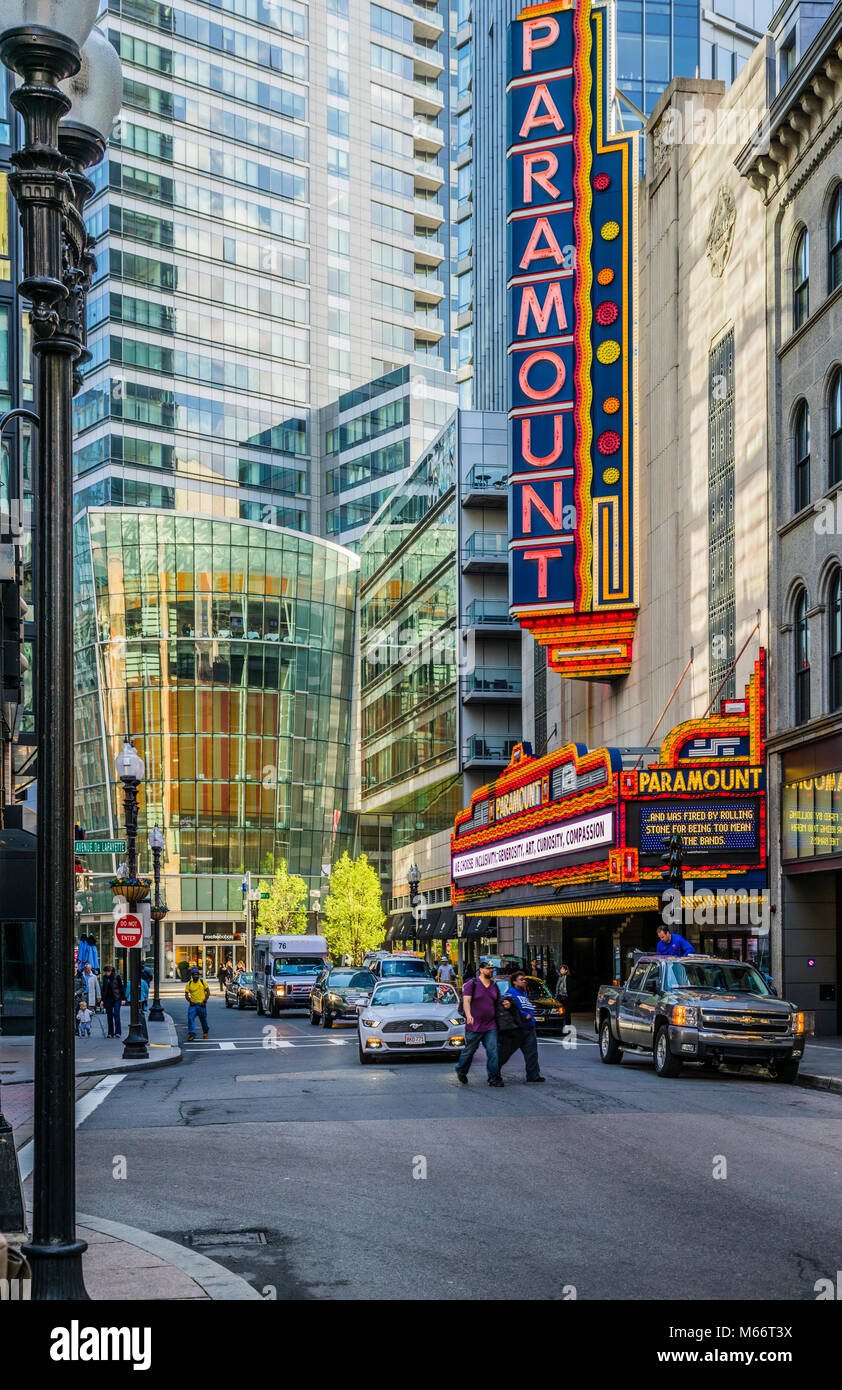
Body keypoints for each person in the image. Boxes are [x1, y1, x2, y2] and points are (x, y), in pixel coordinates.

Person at [455, 957, 503, 1087]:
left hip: (490, 1025)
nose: (491, 971)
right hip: (474, 1025)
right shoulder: (472, 983)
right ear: (481, 970)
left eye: (492, 969)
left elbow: (498, 1002)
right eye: (488, 968)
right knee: (469, 1051)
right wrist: (468, 1015)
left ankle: (494, 1078)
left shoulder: (494, 986)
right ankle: (461, 1069)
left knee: (493, 1051)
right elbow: (466, 1001)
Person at [499, 971, 545, 1082]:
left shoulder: (524, 994)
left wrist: (531, 1018)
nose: (524, 981)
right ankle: (494, 1072)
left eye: (524, 979)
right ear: (514, 982)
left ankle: (533, 1075)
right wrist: (524, 1016)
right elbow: (510, 1007)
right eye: (521, 979)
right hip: (517, 1029)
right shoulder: (511, 992)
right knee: (505, 1053)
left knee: (532, 1053)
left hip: (529, 1027)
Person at [185, 966, 210, 1040]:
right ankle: (191, 1034)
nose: (196, 976)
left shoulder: (202, 982)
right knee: (190, 1018)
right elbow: (186, 994)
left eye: (197, 974)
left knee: (203, 1020)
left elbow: (208, 992)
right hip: (193, 1005)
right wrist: (190, 1001)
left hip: (201, 1005)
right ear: (192, 975)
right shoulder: (189, 984)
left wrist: (205, 1001)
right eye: (194, 974)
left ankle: (205, 1032)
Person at [101, 965, 124, 1038]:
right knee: (109, 1016)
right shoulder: (105, 978)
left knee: (116, 1014)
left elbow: (121, 988)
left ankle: (118, 1032)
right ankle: (110, 1032)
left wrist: (123, 999)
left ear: (110, 971)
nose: (106, 973)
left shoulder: (117, 977)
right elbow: (103, 989)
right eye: (105, 972)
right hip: (108, 998)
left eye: (106, 972)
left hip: (117, 998)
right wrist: (102, 1000)